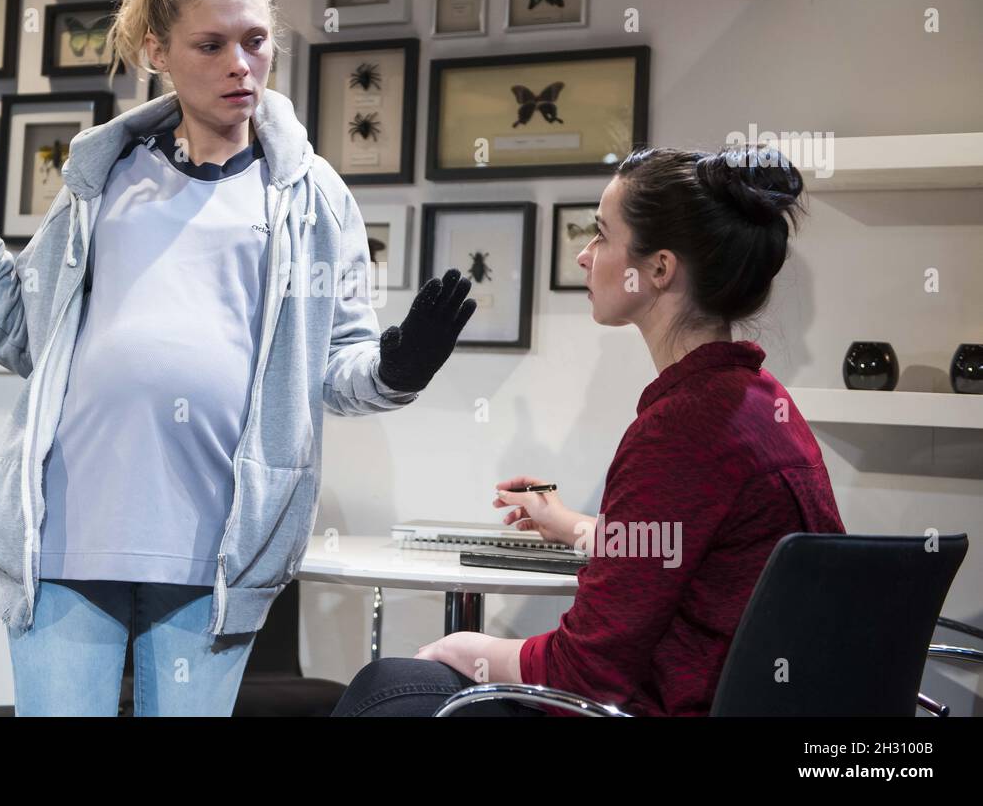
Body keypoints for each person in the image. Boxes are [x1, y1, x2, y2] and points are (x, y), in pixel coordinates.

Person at [0, 0, 476, 715]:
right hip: (67, 533)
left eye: (256, 41)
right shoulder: (99, 184)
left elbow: (337, 371)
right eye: (210, 45)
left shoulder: (313, 201)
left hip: (216, 551)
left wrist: (396, 367)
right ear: (156, 52)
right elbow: (21, 332)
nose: (240, 66)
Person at [332, 145, 847, 717]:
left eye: (601, 234)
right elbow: (688, 552)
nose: (584, 255)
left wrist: (466, 647)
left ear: (658, 268)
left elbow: (586, 673)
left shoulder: (683, 429)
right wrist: (574, 525)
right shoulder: (759, 401)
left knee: (388, 688)